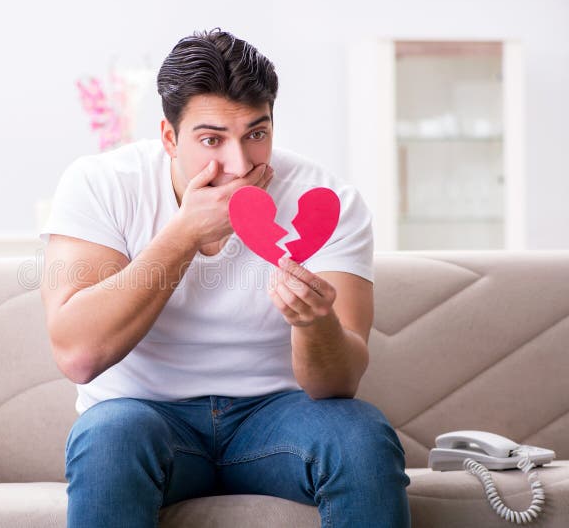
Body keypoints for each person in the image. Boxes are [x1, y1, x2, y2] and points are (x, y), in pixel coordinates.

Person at [39, 27, 411, 528]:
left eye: (256, 134)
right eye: (212, 139)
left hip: (279, 417)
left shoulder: (327, 200)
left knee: (360, 434)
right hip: (144, 417)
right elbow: (78, 354)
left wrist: (314, 324)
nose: (238, 164)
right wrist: (185, 233)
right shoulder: (101, 185)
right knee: (108, 435)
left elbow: (339, 384)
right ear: (169, 137)